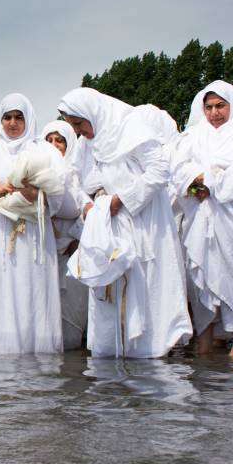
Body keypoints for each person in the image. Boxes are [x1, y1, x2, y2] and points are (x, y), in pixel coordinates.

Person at [59, 88, 192, 358]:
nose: (78, 131)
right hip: (106, 223)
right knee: (108, 285)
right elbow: (73, 178)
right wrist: (87, 204)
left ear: (92, 114)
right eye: (73, 126)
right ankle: (112, 348)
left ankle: (148, 349)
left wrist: (124, 199)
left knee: (142, 281)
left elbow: (159, 171)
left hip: (141, 221)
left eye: (79, 124)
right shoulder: (86, 143)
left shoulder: (132, 127)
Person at [171, 81, 233, 360]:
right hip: (200, 215)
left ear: (232, 105)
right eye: (209, 107)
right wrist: (197, 181)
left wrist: (210, 179)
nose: (215, 113)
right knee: (199, 274)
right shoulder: (191, 136)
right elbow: (178, 169)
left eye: (220, 106)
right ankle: (204, 336)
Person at [0, 93, 74, 354]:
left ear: (28, 119)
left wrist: (37, 195)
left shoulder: (44, 152)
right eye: (7, 117)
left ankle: (33, 349)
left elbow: (61, 194)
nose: (12, 123)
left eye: (18, 117)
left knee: (30, 286)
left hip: (32, 231)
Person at [41, 120, 88, 349]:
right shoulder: (36, 174)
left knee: (72, 308)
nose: (53, 145)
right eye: (48, 140)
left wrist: (77, 240)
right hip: (45, 249)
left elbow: (84, 206)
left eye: (59, 140)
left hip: (71, 250)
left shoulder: (76, 173)